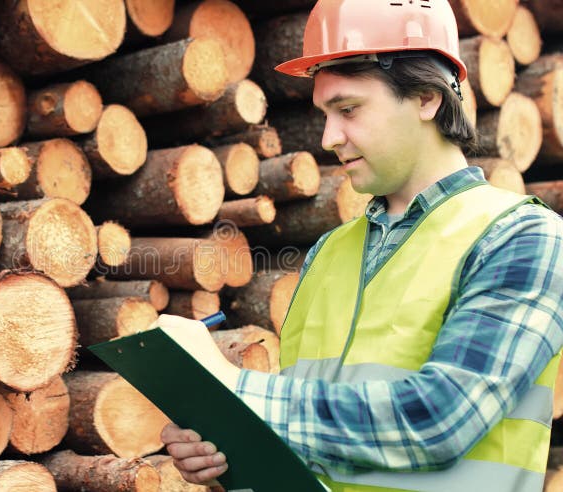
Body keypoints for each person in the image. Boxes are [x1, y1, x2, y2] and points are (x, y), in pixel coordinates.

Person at [155, 0, 563, 490]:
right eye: (325, 114)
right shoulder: (329, 251)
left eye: (348, 109)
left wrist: (235, 390)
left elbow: (437, 421)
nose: (329, 137)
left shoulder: (522, 237)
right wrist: (229, 446)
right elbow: (308, 431)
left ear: (427, 98)